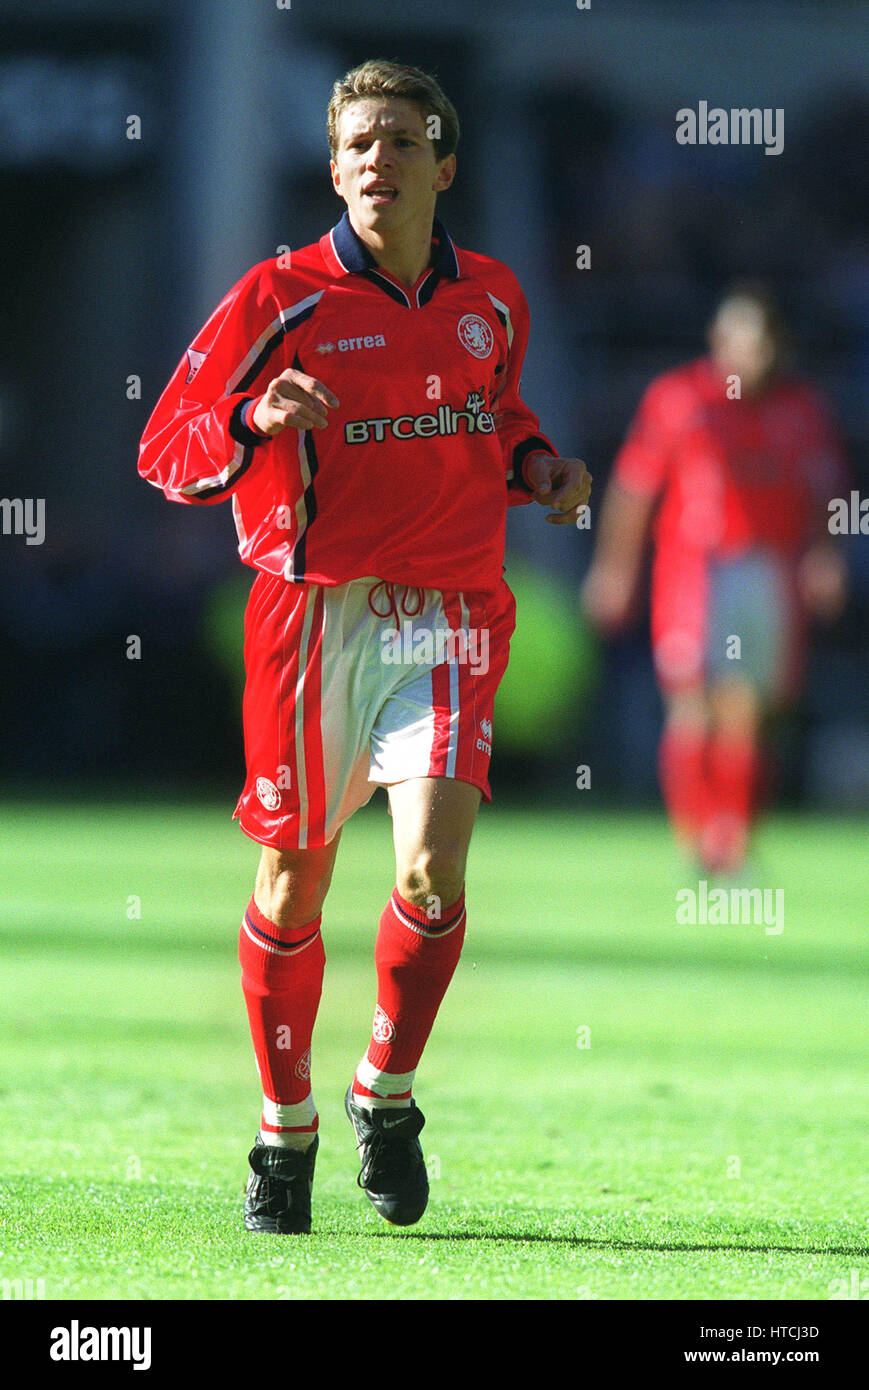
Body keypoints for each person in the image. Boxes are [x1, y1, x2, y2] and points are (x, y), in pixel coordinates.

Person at [138, 59, 591, 1234]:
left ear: (444, 164)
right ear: (332, 169)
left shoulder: (490, 295)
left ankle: (383, 1097)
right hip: (312, 617)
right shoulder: (278, 296)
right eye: (355, 146)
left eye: (398, 141)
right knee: (294, 885)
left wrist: (537, 467)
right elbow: (166, 445)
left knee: (433, 871)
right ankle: (281, 1128)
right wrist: (250, 417)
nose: (374, 163)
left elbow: (489, 413)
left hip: (446, 610)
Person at [582, 282, 847, 877]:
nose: (755, 358)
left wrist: (827, 555)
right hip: (695, 569)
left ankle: (732, 838)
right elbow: (634, 490)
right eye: (745, 343)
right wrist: (615, 569)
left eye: (766, 345)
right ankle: (696, 839)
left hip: (768, 571)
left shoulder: (801, 409)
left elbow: (827, 493)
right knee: (692, 700)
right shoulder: (680, 399)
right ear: (719, 341)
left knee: (748, 709)